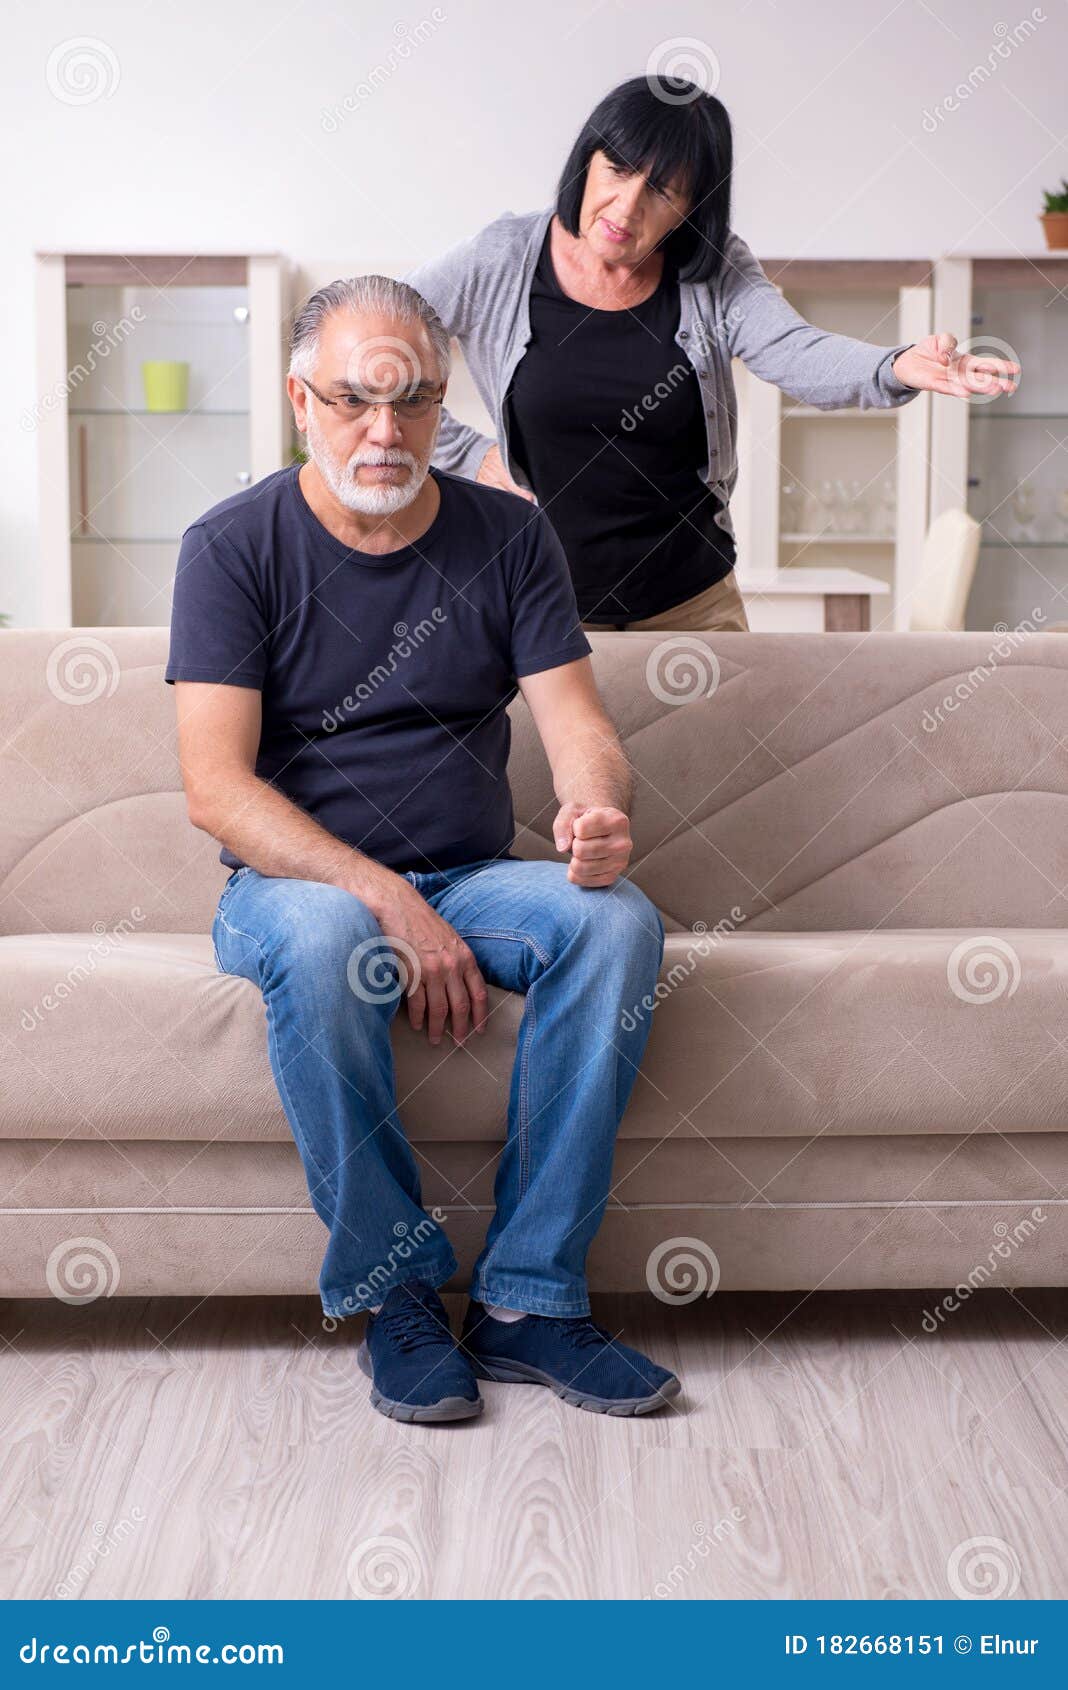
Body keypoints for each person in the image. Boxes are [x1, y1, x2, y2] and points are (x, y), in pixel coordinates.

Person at [165, 274, 681, 1424]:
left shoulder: (510, 536)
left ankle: (527, 1303)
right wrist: (384, 893)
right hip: (295, 882)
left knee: (617, 922)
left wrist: (597, 809)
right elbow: (215, 786)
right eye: (353, 401)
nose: (385, 434)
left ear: (444, 403)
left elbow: (579, 726)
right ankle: (396, 1293)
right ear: (303, 399)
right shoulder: (231, 546)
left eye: (413, 404)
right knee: (322, 931)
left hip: (476, 873)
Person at [404, 74, 1020, 632]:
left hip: (691, 608)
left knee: (723, 762)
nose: (626, 208)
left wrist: (894, 365)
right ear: (586, 161)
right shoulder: (501, 258)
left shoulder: (716, 270)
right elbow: (377, 341)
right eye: (617, 169)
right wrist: (468, 453)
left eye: (661, 191)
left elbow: (794, 351)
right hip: (533, 606)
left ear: (692, 206)